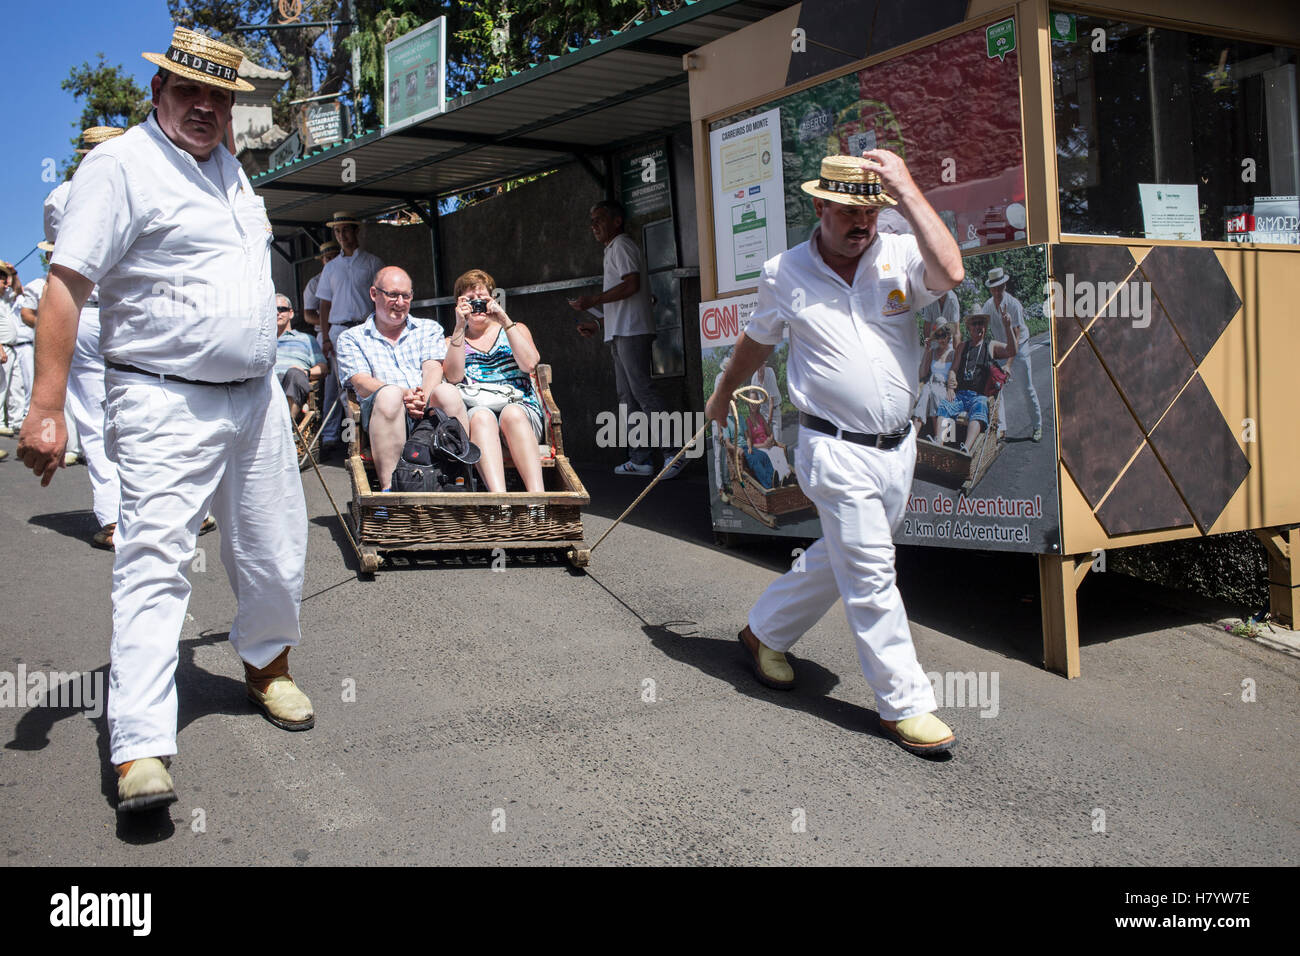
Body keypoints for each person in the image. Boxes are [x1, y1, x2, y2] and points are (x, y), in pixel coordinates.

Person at [16, 27, 315, 813]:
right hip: (161, 395)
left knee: (276, 549)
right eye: (191, 92)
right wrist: (46, 408)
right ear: (158, 95)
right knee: (156, 562)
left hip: (254, 398)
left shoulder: (232, 170)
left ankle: (266, 667)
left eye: (220, 96)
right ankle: (141, 746)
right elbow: (65, 287)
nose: (206, 108)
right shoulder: (118, 168)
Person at [706, 152, 965, 757]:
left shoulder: (899, 253)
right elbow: (757, 340)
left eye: (872, 210)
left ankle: (763, 630)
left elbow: (950, 272)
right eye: (851, 210)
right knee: (872, 572)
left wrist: (905, 188)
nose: (864, 223)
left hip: (898, 450)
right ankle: (905, 704)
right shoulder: (784, 272)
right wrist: (723, 393)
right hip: (833, 451)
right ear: (820, 206)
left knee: (843, 555)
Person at [569, 199, 684, 479]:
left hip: (632, 331)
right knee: (628, 397)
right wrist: (598, 323)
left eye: (599, 218)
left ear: (617, 220)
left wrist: (593, 299)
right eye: (591, 220)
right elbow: (625, 299)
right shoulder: (613, 249)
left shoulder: (621, 244)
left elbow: (632, 285)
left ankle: (674, 454)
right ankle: (640, 459)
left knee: (642, 392)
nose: (593, 225)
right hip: (621, 331)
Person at [334, 266, 464, 492]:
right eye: (393, 295)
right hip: (384, 412)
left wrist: (422, 397)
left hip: (426, 406)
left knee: (448, 392)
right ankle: (390, 492)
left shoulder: (428, 328)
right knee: (390, 395)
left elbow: (433, 367)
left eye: (406, 296)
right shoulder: (351, 338)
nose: (400, 302)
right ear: (374, 294)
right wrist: (405, 395)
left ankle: (458, 482)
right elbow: (361, 382)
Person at [442, 269, 545, 493]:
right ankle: (500, 500)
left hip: (521, 412)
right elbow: (453, 376)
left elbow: (529, 364)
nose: (477, 306)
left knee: (511, 413)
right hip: (479, 414)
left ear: (493, 300)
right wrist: (460, 325)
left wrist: (503, 318)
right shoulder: (453, 340)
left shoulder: (515, 329)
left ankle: (537, 498)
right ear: (459, 304)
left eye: (482, 299)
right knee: (481, 417)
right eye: (469, 301)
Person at [315, 212, 384, 457]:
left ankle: (370, 437)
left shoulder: (372, 262)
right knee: (343, 389)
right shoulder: (331, 267)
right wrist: (325, 337)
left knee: (369, 383)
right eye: (337, 231)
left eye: (346, 230)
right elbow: (324, 304)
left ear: (355, 232)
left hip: (365, 328)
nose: (342, 236)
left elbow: (381, 299)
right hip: (338, 330)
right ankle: (346, 440)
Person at [935, 313, 1017, 452]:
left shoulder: (990, 345)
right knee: (945, 405)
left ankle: (966, 449)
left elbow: (1012, 350)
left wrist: (1008, 327)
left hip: (979, 395)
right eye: (974, 323)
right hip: (960, 394)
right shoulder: (962, 346)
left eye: (981, 323)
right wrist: (950, 386)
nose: (978, 326)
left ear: (985, 327)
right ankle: (939, 445)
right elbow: (953, 369)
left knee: (980, 407)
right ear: (969, 327)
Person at [981, 266, 1041, 442]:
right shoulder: (987, 306)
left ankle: (1037, 426)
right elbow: (982, 330)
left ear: (1005, 287)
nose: (997, 292)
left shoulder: (1013, 304)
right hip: (1002, 346)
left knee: (1027, 387)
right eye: (994, 288)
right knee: (996, 386)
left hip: (1019, 345)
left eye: (1000, 288)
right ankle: (1001, 428)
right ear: (990, 289)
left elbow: (1015, 338)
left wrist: (1008, 364)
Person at [274, 294, 326, 422]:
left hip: (295, 381)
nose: (277, 313)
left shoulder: (306, 339)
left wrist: (306, 372)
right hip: (269, 384)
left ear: (291, 313)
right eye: (272, 309)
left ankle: (286, 425)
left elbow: (323, 368)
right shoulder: (262, 342)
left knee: (294, 373)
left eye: (281, 309)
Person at [913, 321, 958, 441]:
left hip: (944, 385)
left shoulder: (954, 353)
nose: (941, 339)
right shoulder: (932, 352)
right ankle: (913, 437)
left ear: (948, 335)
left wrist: (951, 387)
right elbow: (922, 373)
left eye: (943, 335)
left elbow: (955, 374)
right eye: (938, 336)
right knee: (924, 396)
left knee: (935, 394)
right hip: (931, 383)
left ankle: (940, 439)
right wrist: (927, 350)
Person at [0, 262, 30, 435]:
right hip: (2, 347)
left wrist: (14, 273)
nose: (6, 284)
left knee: (16, 387)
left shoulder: (5, 299)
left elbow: (19, 291)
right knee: (1, 387)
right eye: (3, 281)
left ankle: (16, 421)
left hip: (13, 347)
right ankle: (0, 422)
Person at [301, 240, 339, 331]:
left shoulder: (348, 278)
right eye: (328, 258)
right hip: (326, 333)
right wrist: (332, 323)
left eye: (336, 257)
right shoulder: (314, 283)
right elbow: (309, 315)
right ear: (322, 260)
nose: (332, 261)